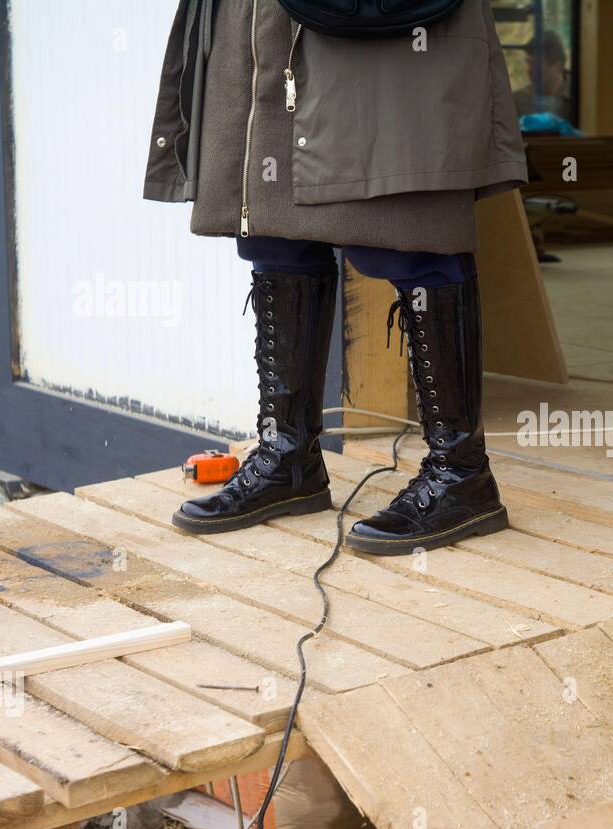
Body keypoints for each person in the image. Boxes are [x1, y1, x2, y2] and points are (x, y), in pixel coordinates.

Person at [143, 0, 526, 555]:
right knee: (271, 224)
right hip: (253, 18)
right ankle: (288, 458)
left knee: (412, 225)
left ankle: (461, 473)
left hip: (380, 19)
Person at [512, 31, 574, 122]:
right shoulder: (517, 101)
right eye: (528, 63)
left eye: (535, 64)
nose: (528, 70)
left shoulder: (581, 97)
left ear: (557, 65)